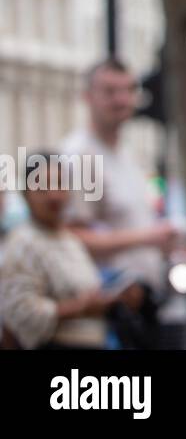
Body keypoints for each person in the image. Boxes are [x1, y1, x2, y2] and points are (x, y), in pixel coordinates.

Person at [60, 57, 186, 348]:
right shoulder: (80, 156)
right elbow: (72, 237)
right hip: (109, 315)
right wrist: (150, 237)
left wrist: (173, 242)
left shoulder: (126, 152)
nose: (122, 99)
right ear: (86, 97)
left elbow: (131, 229)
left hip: (142, 306)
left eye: (129, 90)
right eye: (109, 91)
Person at [0, 150, 141, 349]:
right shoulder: (23, 243)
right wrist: (79, 309)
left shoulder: (69, 240)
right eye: (42, 188)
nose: (53, 196)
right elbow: (21, 315)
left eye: (59, 185)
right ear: (26, 195)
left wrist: (115, 299)